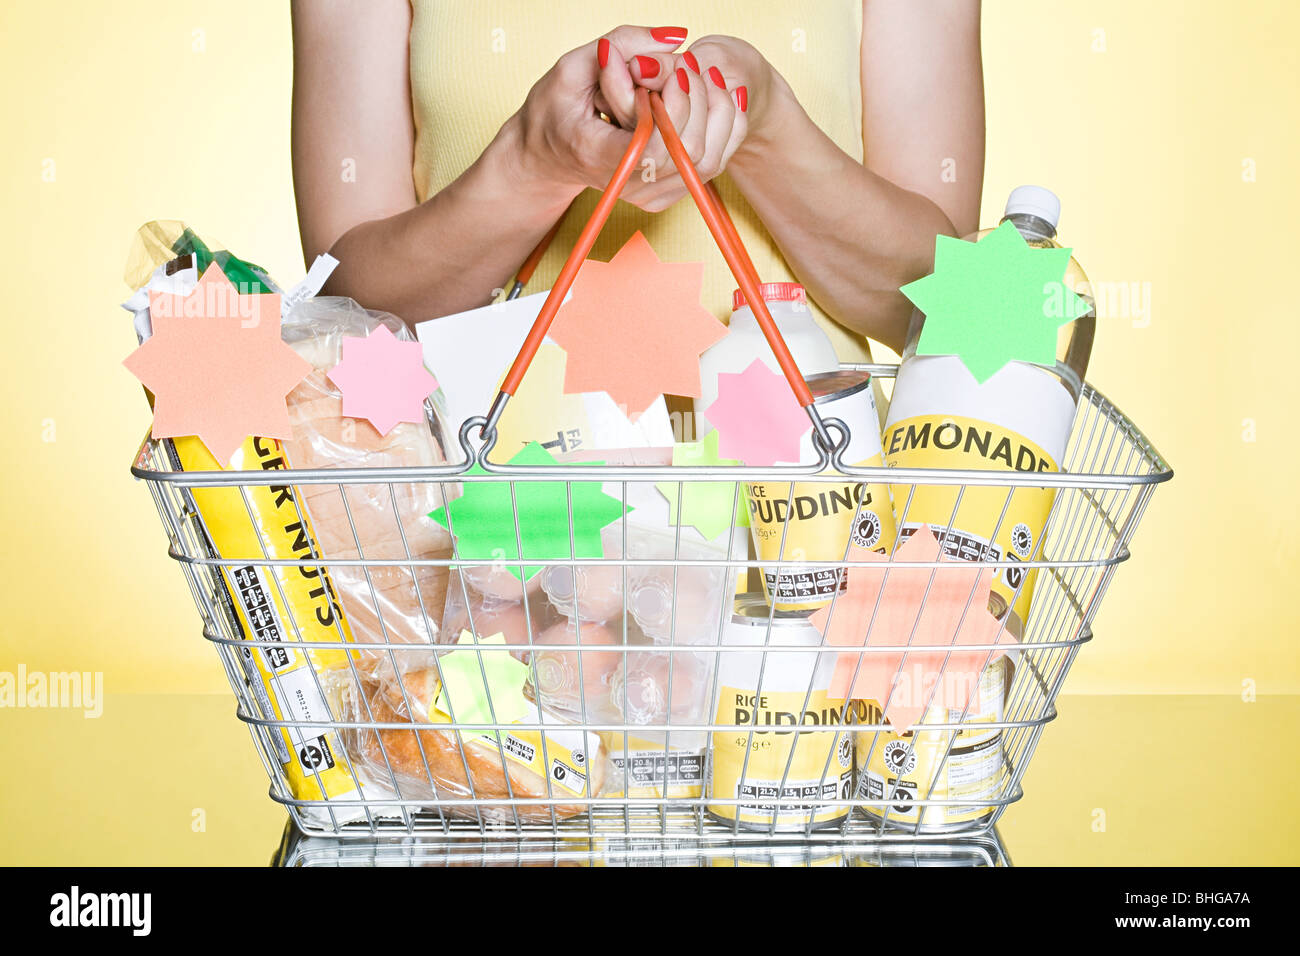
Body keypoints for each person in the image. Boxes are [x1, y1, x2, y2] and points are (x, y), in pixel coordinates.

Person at [291, 1, 983, 365]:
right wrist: (531, 163)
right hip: (494, 542)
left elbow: (938, 308)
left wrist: (763, 126)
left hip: (797, 528)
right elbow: (347, 311)